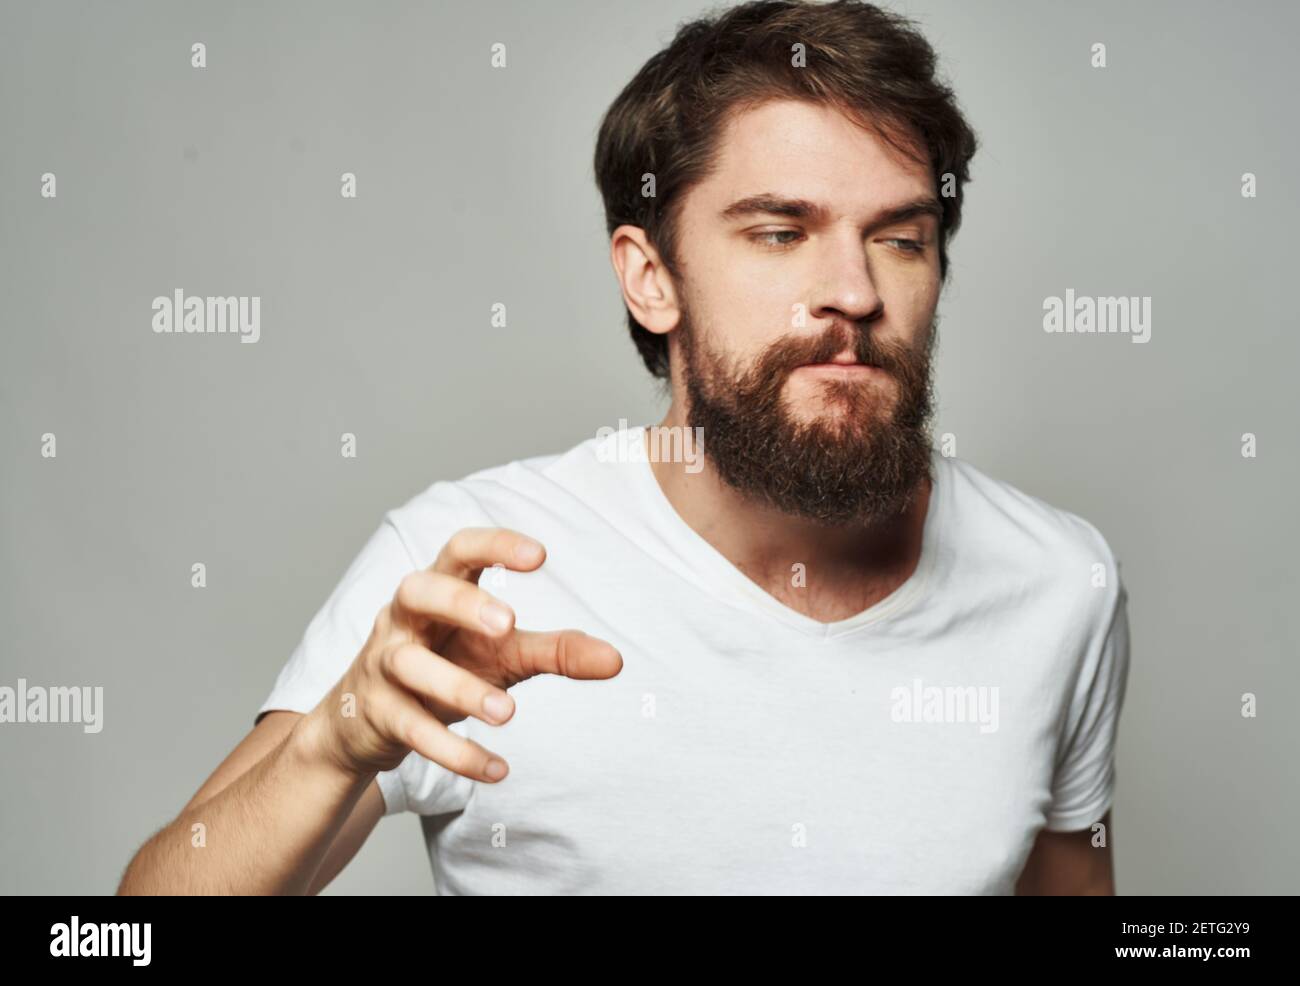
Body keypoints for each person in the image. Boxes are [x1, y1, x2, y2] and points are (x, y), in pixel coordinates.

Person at [119, 0, 1130, 895]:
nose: (854, 293)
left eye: (899, 239)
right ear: (650, 277)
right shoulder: (469, 564)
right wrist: (334, 741)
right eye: (780, 232)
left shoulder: (1056, 580)